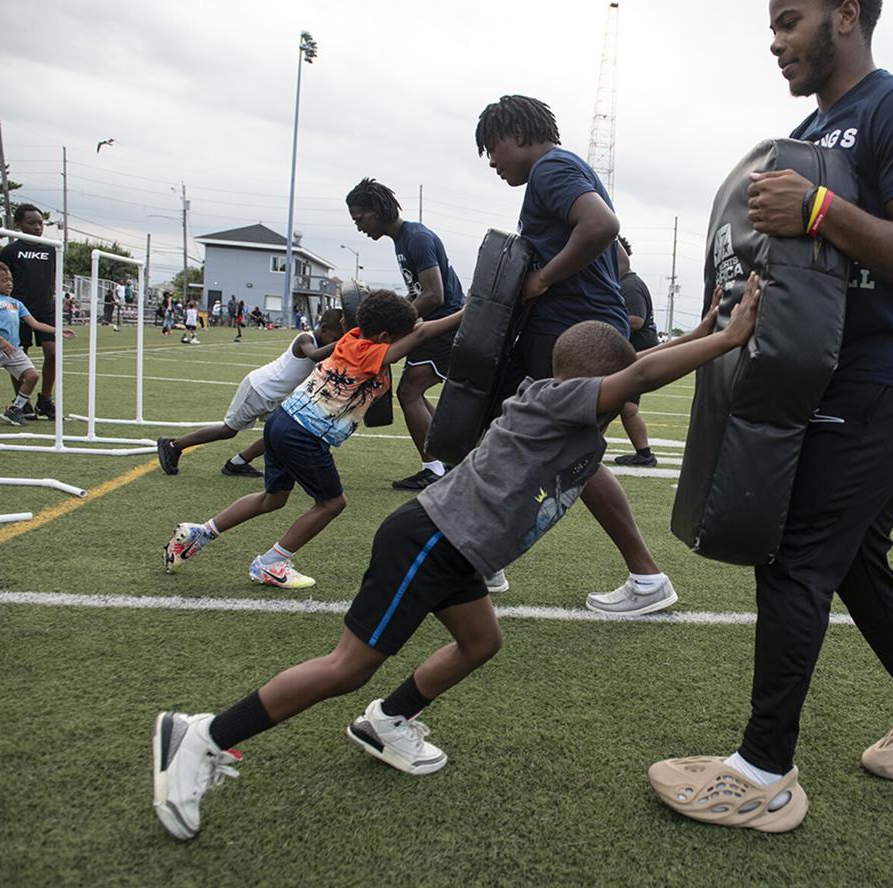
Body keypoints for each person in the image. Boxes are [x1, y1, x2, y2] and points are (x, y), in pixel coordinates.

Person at [149, 276, 762, 843]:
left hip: (458, 547)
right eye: (620, 386)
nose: (628, 398)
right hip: (432, 541)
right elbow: (641, 375)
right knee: (347, 667)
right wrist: (730, 338)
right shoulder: (559, 403)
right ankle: (203, 736)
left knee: (480, 641)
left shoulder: (566, 404)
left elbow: (641, 371)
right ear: (594, 385)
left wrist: (706, 329)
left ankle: (386, 721)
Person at [648, 0, 893, 834]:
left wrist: (819, 210)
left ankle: (764, 775)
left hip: (892, 374)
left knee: (795, 552)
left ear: (845, 15)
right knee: (853, 559)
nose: (774, 39)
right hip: (828, 374)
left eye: (789, 19)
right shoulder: (805, 132)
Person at [475, 93, 677, 615]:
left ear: (519, 135)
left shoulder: (551, 169)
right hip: (574, 326)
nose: (492, 162)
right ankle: (485, 559)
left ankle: (648, 577)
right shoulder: (556, 172)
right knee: (538, 442)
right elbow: (615, 254)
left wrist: (544, 277)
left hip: (576, 329)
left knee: (566, 450)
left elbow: (603, 226)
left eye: (493, 148)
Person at [163, 291, 461, 590]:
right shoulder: (367, 352)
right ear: (384, 336)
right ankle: (271, 563)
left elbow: (411, 329)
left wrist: (410, 314)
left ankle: (200, 533)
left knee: (273, 498)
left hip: (283, 421)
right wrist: (468, 311)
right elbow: (421, 334)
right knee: (332, 503)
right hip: (304, 434)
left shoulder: (353, 337)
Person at [346, 179, 467, 492]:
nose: (359, 226)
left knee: (409, 391)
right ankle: (449, 458)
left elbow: (434, 295)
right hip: (434, 326)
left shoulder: (416, 238)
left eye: (360, 218)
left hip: (443, 325)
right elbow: (421, 293)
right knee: (413, 391)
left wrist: (394, 321)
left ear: (377, 210)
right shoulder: (402, 239)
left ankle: (435, 469)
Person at [157, 309, 345, 478]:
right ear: (324, 329)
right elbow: (314, 355)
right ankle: (173, 445)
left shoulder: (322, 345)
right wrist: (343, 343)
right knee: (228, 431)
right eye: (335, 337)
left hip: (274, 396)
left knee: (282, 432)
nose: (336, 342)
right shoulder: (305, 339)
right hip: (258, 389)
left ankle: (238, 462)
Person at [0, 261, 75, 425]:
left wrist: (58, 330)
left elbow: (35, 324)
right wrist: (1, 341)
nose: (9, 283)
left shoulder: (16, 303)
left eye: (10, 280)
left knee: (32, 376)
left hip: (13, 350)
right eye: (4, 280)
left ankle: (15, 409)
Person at [0, 204, 59, 420]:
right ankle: (22, 402)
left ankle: (45, 400)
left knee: (53, 353)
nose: (37, 227)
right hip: (17, 310)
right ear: (19, 225)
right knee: (18, 355)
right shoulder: (10, 251)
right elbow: (0, 279)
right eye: (31, 223)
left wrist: (51, 296)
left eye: (40, 223)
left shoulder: (51, 249)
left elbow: (53, 276)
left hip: (45, 309)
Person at [611, 237, 661, 467]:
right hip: (632, 352)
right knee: (623, 405)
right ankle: (644, 454)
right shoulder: (623, 282)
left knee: (625, 406)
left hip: (638, 351)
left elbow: (636, 320)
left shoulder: (630, 284)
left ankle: (645, 454)